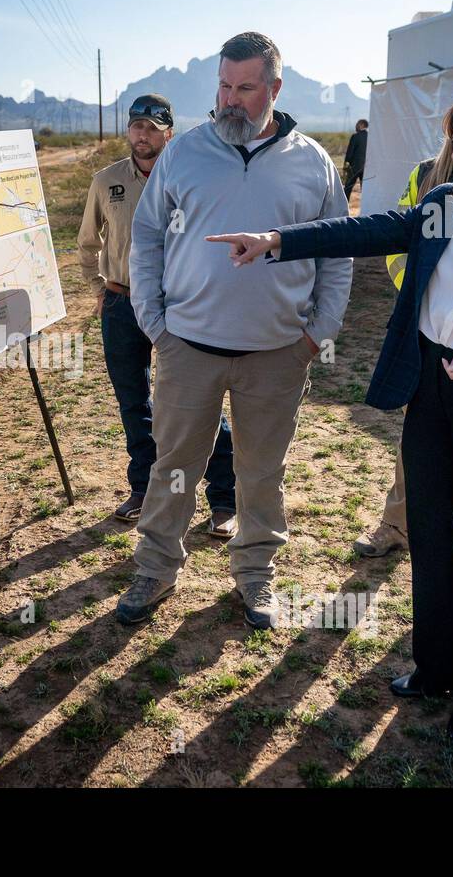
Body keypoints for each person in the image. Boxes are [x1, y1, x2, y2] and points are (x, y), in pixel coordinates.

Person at [208, 81, 453, 743]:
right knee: (428, 535)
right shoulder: (443, 209)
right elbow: (365, 229)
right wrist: (277, 239)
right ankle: (435, 668)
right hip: (431, 391)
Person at [119, 31, 353, 628]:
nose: (230, 99)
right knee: (172, 466)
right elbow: (146, 235)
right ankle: (156, 569)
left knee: (260, 473)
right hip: (186, 348)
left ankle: (255, 578)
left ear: (275, 89)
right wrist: (155, 321)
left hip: (277, 354)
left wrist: (315, 335)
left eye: (245, 88)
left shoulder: (313, 163)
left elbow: (338, 254)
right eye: (223, 85)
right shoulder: (185, 152)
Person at [354, 71, 453, 559]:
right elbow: (397, 247)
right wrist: (423, 300)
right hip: (430, 340)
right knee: (418, 447)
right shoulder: (428, 176)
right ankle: (398, 525)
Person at [78, 94, 237, 533]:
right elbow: (87, 243)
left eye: (151, 127)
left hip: (177, 307)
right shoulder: (106, 180)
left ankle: (225, 500)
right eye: (136, 126)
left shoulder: (189, 177)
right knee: (134, 403)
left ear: (169, 133)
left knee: (196, 404)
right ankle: (144, 488)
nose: (142, 135)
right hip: (121, 305)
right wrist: (99, 290)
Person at [342, 119, 368, 199]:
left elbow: (350, 152)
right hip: (366, 167)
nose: (355, 126)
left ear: (361, 125)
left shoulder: (355, 136)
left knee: (348, 188)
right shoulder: (370, 137)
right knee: (365, 190)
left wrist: (346, 163)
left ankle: (344, 208)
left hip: (354, 167)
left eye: (357, 124)